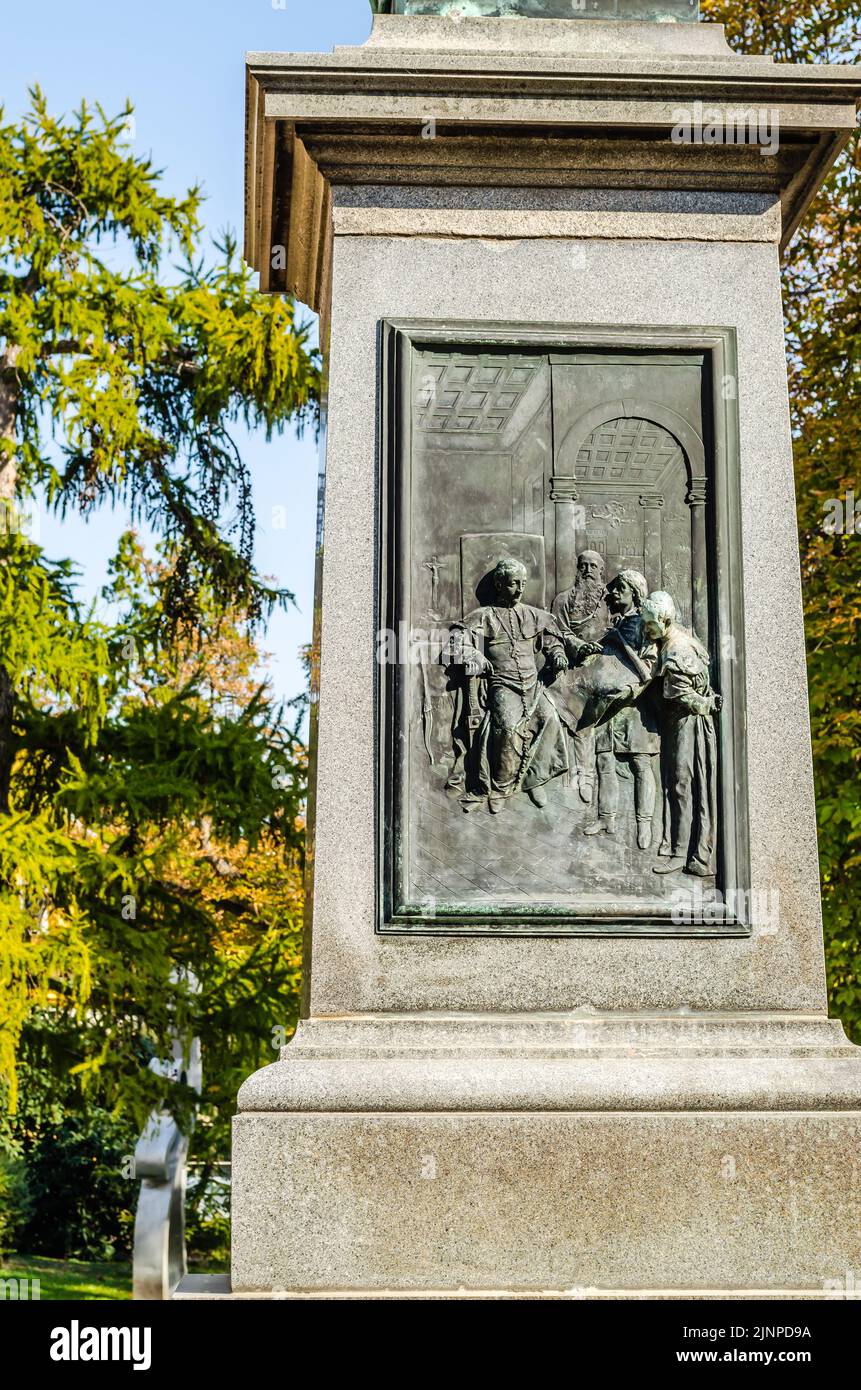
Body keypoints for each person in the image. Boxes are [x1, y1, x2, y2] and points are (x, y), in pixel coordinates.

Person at [448, 558, 569, 813]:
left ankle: (536, 778)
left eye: (523, 583)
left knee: (551, 720)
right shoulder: (483, 616)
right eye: (514, 583)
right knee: (507, 729)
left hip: (533, 685)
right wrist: (476, 656)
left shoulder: (533, 615)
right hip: (503, 685)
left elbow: (551, 641)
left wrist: (557, 654)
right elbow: (457, 640)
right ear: (500, 584)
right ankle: (501, 787)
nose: (520, 589)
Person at [640, 591, 722, 877]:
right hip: (682, 721)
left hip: (686, 723)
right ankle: (688, 852)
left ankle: (683, 853)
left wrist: (704, 704)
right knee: (683, 785)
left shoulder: (678, 651)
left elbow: (683, 694)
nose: (645, 629)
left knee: (681, 784)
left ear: (665, 620)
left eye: (649, 624)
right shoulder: (674, 640)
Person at [582, 570, 661, 849]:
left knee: (641, 764)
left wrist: (631, 691)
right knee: (605, 761)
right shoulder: (614, 625)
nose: (613, 593)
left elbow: (650, 665)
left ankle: (645, 824)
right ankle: (607, 818)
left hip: (636, 705)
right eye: (614, 588)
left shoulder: (644, 625)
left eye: (620, 589)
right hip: (609, 705)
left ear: (635, 594)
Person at [551, 551, 608, 803]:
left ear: (601, 571)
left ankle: (588, 774)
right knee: (569, 714)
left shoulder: (611, 601)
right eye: (583, 565)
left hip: (606, 670)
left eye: (593, 566)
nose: (587, 570)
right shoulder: (563, 600)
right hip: (573, 669)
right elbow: (557, 632)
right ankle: (574, 773)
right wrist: (576, 646)